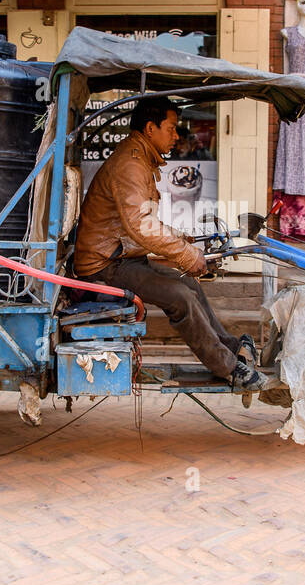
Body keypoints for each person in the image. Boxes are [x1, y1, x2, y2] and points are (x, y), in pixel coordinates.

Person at [75, 96, 264, 391]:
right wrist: (187, 255)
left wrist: (184, 241)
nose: (177, 136)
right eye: (171, 128)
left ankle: (231, 347)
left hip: (122, 256)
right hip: (104, 265)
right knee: (180, 296)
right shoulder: (131, 164)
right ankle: (228, 368)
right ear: (151, 128)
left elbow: (142, 222)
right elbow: (141, 225)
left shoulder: (139, 157)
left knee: (190, 286)